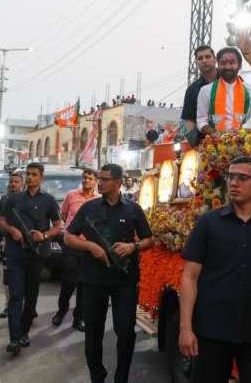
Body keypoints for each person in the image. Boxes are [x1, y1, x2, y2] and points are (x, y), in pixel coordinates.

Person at [179, 157, 251, 383]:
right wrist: (185, 329)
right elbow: (189, 277)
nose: (234, 183)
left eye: (242, 178)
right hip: (212, 331)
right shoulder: (208, 223)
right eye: (231, 177)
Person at [64, 164, 155, 383]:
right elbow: (69, 237)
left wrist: (132, 247)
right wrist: (91, 248)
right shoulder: (89, 208)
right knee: (93, 332)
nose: (99, 182)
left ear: (118, 182)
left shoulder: (133, 209)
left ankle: (121, 377)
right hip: (94, 280)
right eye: (99, 178)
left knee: (125, 332)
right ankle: (97, 375)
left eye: (104, 179)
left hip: (124, 281)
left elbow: (149, 240)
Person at [0, 162, 62, 355]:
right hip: (15, 254)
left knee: (31, 296)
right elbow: (1, 220)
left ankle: (24, 332)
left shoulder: (49, 201)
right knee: (16, 295)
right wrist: (12, 230)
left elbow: (58, 226)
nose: (30, 177)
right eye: (28, 174)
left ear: (41, 177)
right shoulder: (14, 199)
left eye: (34, 174)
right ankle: (14, 338)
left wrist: (43, 236)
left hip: (37, 255)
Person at [53, 168, 99, 331]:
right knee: (69, 281)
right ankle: (61, 311)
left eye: (90, 178)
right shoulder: (72, 195)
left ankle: (78, 318)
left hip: (90, 247)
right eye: (85, 177)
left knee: (84, 285)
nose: (86, 180)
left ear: (96, 182)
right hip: (72, 244)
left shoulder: (99, 199)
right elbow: (64, 215)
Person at [196, 47, 251, 135]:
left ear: (239, 65)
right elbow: (201, 120)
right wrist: (214, 133)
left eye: (232, 62)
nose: (227, 66)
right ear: (218, 65)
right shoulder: (205, 91)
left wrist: (239, 132)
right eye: (223, 63)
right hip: (214, 144)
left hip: (244, 143)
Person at [0, 172, 26, 318]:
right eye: (11, 182)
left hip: (26, 245)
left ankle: (27, 307)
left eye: (16, 182)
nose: (13, 184)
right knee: (7, 276)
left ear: (22, 184)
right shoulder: (4, 200)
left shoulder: (28, 200)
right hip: (7, 244)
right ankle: (9, 305)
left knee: (26, 277)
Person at [181, 45, 218, 135]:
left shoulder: (229, 80)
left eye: (207, 57)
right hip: (206, 144)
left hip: (234, 138)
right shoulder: (192, 90)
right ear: (196, 62)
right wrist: (194, 141)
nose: (204, 60)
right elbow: (189, 120)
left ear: (215, 59)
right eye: (200, 58)